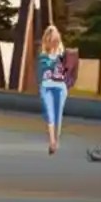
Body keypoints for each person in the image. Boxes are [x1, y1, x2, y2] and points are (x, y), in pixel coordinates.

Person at [37, 25, 68, 155]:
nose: (53, 43)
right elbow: (43, 70)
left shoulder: (62, 55)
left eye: (54, 40)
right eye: (50, 40)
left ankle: (56, 139)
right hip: (47, 86)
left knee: (58, 114)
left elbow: (68, 70)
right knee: (50, 114)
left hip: (60, 86)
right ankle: (52, 141)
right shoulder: (43, 56)